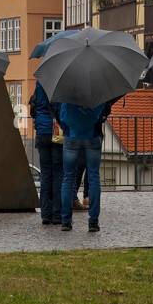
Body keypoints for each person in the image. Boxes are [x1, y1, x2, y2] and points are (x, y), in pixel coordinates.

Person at [58, 100, 112, 233]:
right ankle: (93, 222)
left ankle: (66, 221)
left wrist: (68, 128)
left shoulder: (68, 94)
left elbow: (62, 116)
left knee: (68, 178)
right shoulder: (95, 93)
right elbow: (102, 113)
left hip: (71, 137)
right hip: (92, 136)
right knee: (93, 177)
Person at [30, 80, 63, 226]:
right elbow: (60, 109)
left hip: (42, 132)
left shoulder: (40, 84)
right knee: (57, 174)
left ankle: (45, 214)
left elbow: (34, 107)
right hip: (56, 132)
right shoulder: (60, 85)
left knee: (45, 174)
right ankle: (57, 214)